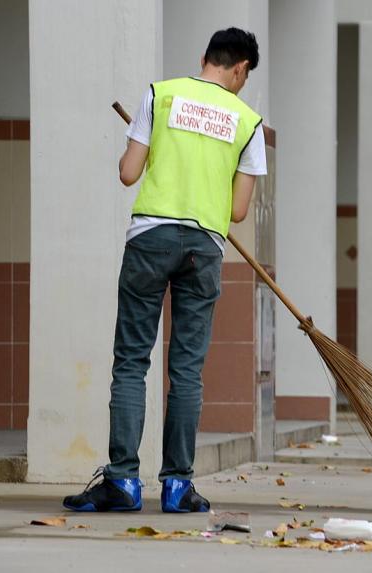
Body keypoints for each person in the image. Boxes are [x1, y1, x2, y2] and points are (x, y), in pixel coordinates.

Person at [63, 28, 267, 512]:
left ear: (205, 58)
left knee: (133, 360)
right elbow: (238, 211)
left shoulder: (161, 94)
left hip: (150, 240)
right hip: (204, 246)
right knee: (187, 371)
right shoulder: (248, 121)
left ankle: (123, 484)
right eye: (245, 76)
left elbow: (128, 173)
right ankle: (178, 486)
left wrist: (153, 152)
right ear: (240, 69)